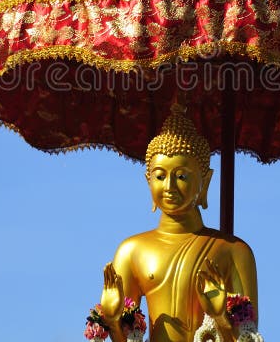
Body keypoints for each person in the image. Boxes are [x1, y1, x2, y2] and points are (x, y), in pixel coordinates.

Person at [99, 104, 258, 342]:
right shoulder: (132, 251)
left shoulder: (233, 251)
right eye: (160, 176)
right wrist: (111, 320)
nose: (169, 187)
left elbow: (249, 337)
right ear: (148, 180)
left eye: (182, 176)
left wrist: (221, 316)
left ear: (205, 181)